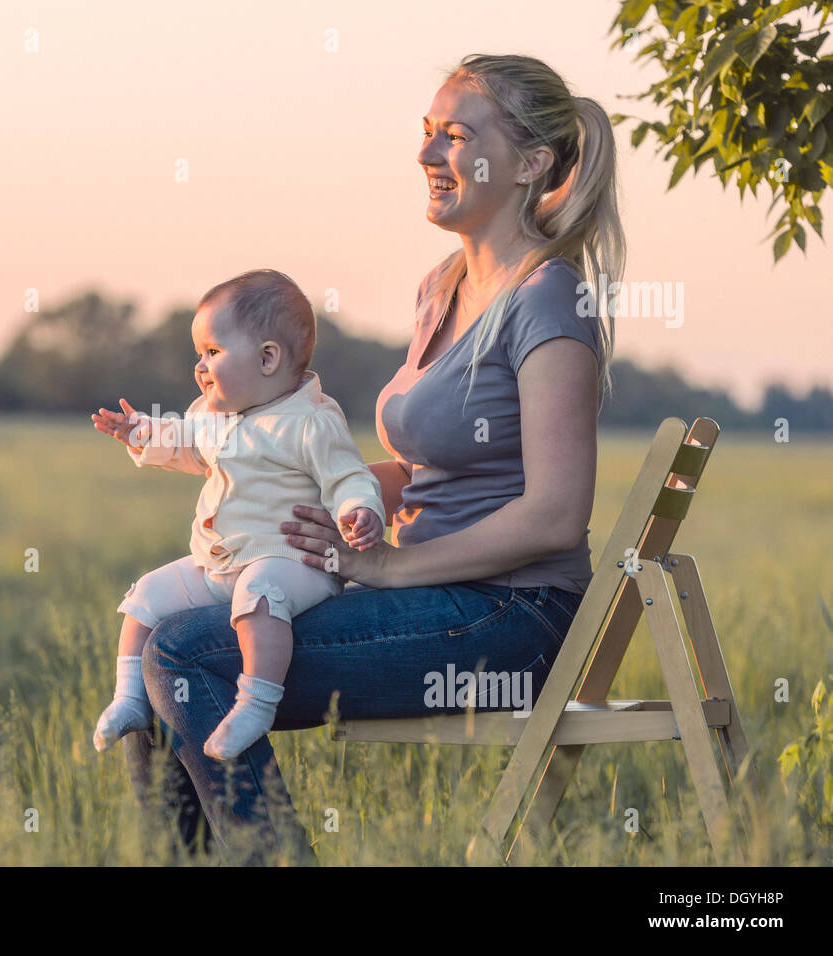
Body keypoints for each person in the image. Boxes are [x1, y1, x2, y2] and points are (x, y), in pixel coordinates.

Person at [122, 52, 625, 865]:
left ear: (531, 163)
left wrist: (386, 568)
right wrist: (330, 500)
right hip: (442, 596)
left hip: (512, 619)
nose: (427, 156)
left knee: (182, 653)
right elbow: (429, 469)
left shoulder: (549, 298)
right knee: (160, 639)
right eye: (426, 134)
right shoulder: (443, 286)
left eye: (454, 136)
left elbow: (556, 512)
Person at [90, 269, 386, 761]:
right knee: (146, 596)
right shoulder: (213, 415)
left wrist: (359, 509)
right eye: (199, 354)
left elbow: (349, 476)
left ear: (268, 358)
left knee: (259, 595)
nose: (199, 367)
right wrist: (139, 432)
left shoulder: (310, 421)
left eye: (213, 352)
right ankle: (129, 697)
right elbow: (184, 441)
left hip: (292, 563)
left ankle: (256, 702)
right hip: (220, 562)